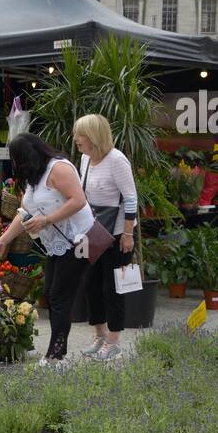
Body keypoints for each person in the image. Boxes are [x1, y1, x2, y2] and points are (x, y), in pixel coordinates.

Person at [0, 133, 94, 367]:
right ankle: (55, 353)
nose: (17, 166)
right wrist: (4, 240)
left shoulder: (59, 169)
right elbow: (25, 212)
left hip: (79, 240)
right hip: (57, 244)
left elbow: (78, 200)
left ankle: (57, 355)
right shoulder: (32, 177)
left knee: (59, 297)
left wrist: (46, 220)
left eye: (18, 159)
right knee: (50, 294)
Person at [73, 115, 139, 362]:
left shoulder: (117, 160)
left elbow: (131, 198)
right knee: (91, 284)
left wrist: (128, 233)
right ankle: (100, 334)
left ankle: (114, 340)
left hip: (117, 234)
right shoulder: (85, 159)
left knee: (113, 288)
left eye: (80, 134)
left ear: (93, 136)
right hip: (94, 230)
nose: (76, 139)